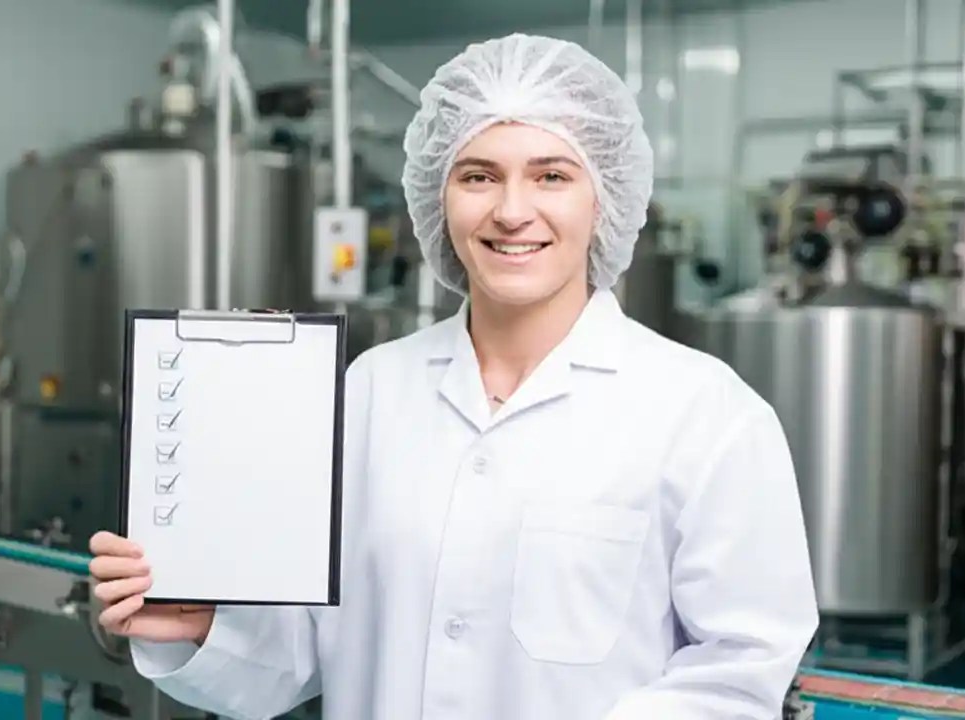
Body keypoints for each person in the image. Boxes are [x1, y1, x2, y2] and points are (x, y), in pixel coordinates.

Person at [89, 32, 818, 720]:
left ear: (604, 199)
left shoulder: (704, 415)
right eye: (479, 176)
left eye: (551, 176)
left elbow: (741, 670)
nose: (511, 211)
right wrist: (200, 625)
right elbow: (304, 646)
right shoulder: (369, 393)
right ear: (438, 195)